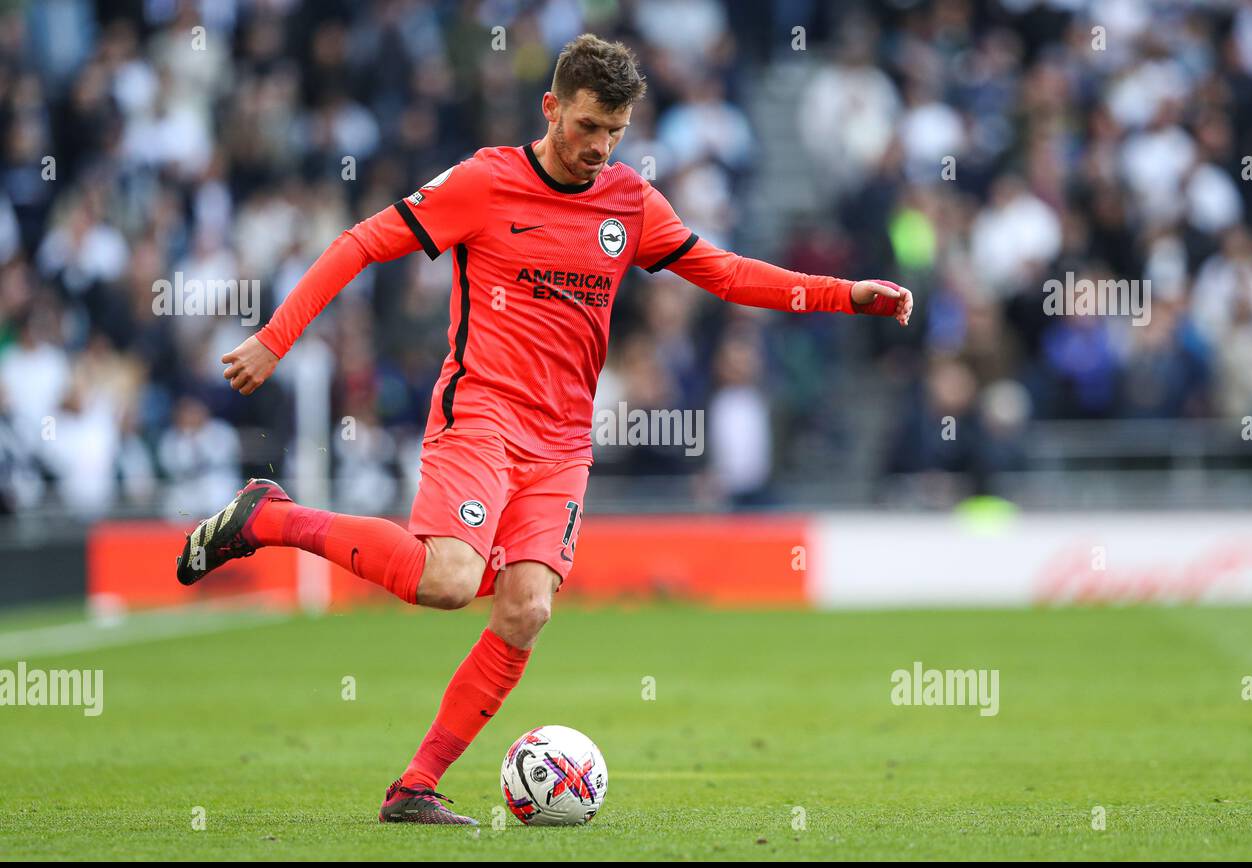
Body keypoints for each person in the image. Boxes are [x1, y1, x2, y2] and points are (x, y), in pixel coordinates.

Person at [176, 33, 912, 825]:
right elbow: (362, 242)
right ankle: (269, 516)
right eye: (590, 125)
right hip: (482, 411)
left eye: (617, 131)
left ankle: (413, 787)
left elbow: (727, 273)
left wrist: (847, 294)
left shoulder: (628, 202)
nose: (601, 147)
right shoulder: (485, 181)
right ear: (552, 108)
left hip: (563, 442)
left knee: (527, 608)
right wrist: (274, 338)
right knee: (451, 580)